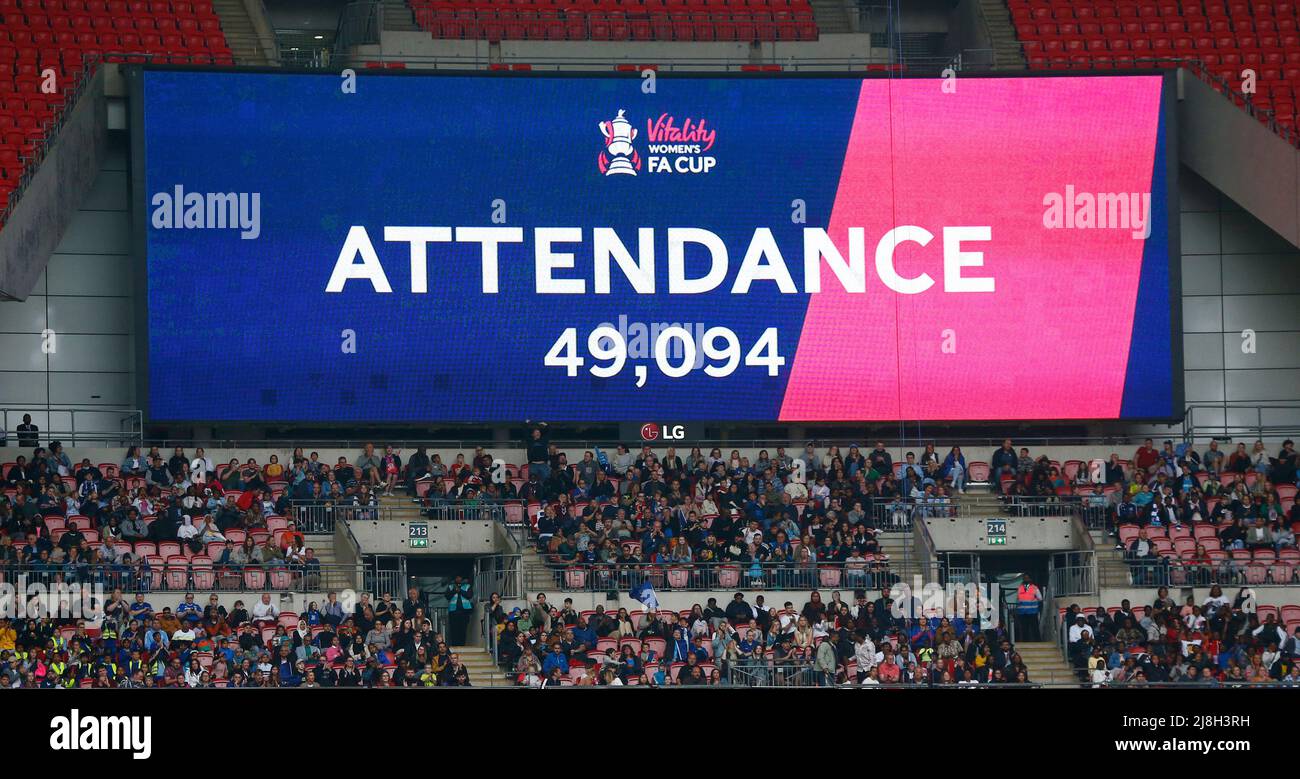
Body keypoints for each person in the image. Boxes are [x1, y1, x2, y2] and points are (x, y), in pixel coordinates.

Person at [446, 576, 473, 645]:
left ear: (462, 579)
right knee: (454, 629)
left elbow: (469, 595)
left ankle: (462, 645)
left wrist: (460, 590)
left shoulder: (467, 586)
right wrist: (454, 590)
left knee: (463, 629)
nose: (458, 579)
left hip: (464, 611)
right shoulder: (450, 586)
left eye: (460, 577)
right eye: (457, 578)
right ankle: (454, 645)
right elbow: (447, 596)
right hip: (453, 611)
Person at [1016, 575, 1042, 641]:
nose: (1026, 579)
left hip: (1030, 611)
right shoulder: (1021, 587)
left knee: (1032, 628)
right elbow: (1040, 598)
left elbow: (1040, 598)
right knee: (1027, 628)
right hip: (1025, 612)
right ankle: (1029, 641)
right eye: (1025, 578)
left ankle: (1037, 641)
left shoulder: (1033, 588)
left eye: (1027, 578)